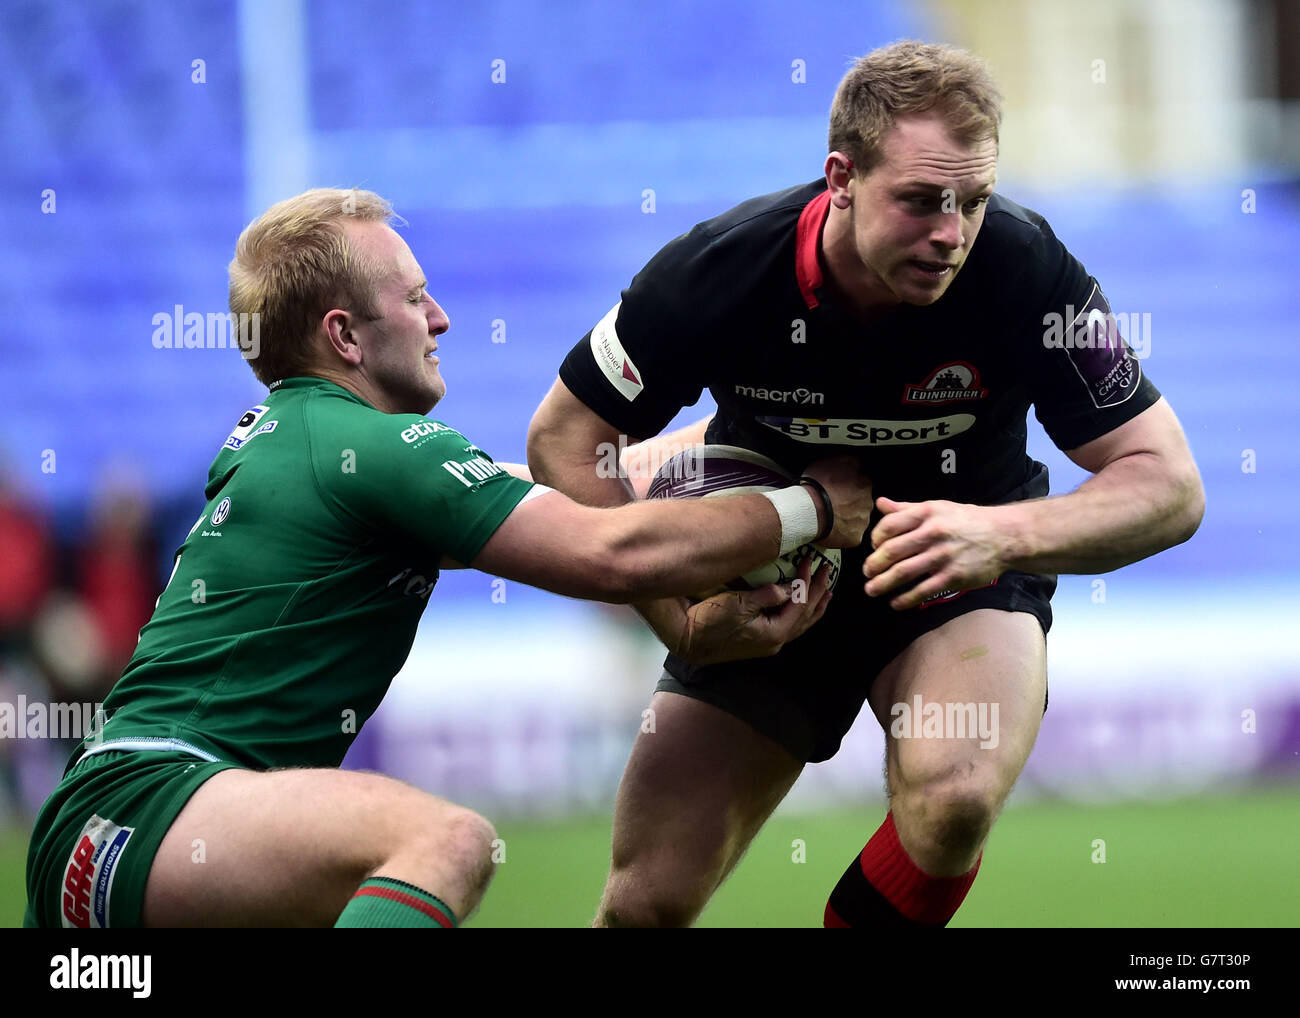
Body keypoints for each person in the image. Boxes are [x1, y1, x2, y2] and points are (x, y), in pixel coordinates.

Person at [23, 187, 874, 929]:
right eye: (417, 298)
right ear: (345, 336)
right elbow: (613, 550)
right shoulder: (382, 447)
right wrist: (813, 509)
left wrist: (766, 439)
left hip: (126, 825)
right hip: (154, 809)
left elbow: (586, 486)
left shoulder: (309, 441)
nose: (442, 319)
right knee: (446, 842)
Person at [526, 40, 1205, 928]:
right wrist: (677, 609)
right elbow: (565, 441)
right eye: (921, 201)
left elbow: (1171, 486)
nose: (952, 235)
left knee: (954, 796)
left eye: (974, 201)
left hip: (959, 575)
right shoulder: (716, 273)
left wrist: (999, 537)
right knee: (645, 904)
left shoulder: (1030, 271)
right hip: (767, 578)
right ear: (840, 176)